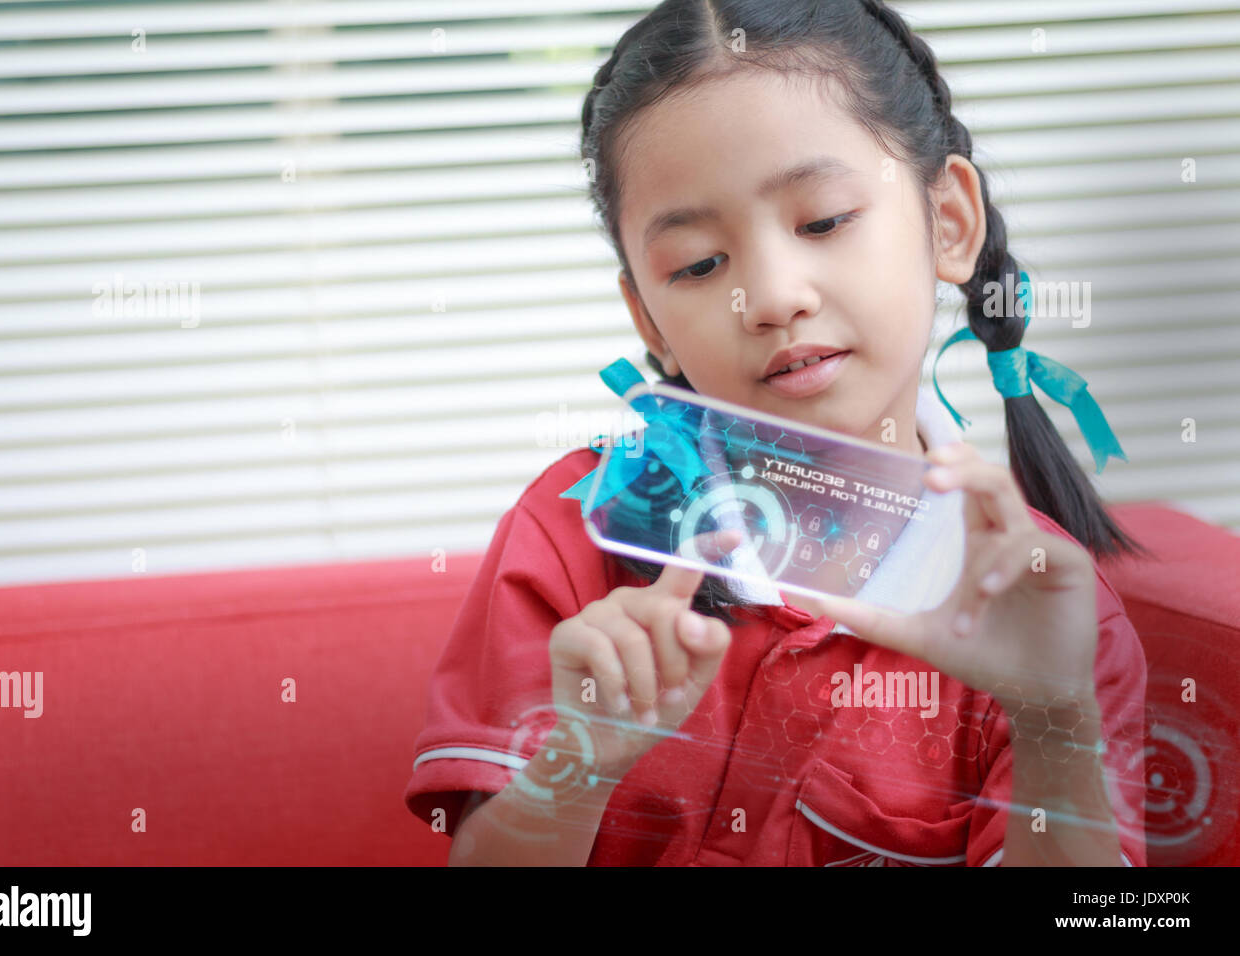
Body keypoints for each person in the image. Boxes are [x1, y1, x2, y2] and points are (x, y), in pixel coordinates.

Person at [403, 0, 1150, 866]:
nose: (769, 296)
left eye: (824, 221)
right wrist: (576, 768)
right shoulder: (573, 528)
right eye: (698, 265)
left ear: (948, 221)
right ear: (647, 314)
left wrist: (1054, 721)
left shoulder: (1040, 606)